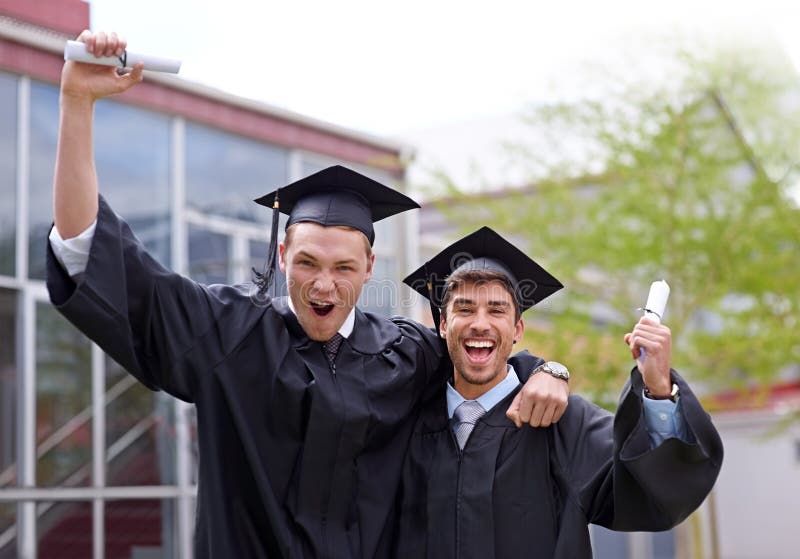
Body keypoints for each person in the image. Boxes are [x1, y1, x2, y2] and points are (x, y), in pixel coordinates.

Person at [46, 31, 571, 558]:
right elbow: (87, 251)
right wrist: (76, 103)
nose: (324, 285)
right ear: (280, 258)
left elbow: (481, 356)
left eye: (344, 267)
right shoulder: (229, 334)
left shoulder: (407, 355)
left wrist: (546, 372)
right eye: (307, 263)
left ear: (370, 267)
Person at [397, 226, 724, 558]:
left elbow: (656, 494)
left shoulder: (564, 425)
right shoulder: (408, 423)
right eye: (465, 310)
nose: (480, 323)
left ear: (517, 330)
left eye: (496, 310)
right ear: (442, 325)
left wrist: (658, 389)